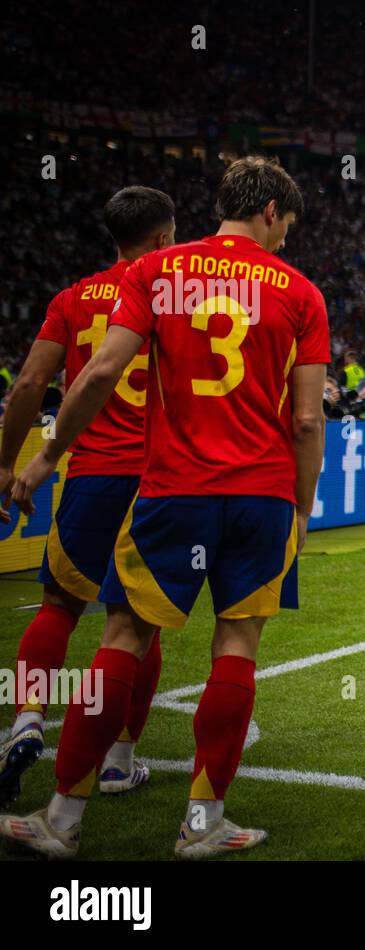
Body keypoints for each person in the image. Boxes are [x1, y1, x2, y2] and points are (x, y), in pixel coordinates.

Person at [0, 156, 329, 858]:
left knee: (123, 636)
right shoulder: (300, 292)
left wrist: (46, 456)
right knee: (236, 645)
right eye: (287, 227)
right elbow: (306, 421)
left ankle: (61, 819)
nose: (285, 240)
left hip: (172, 488)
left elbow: (98, 373)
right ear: (271, 210)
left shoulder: (157, 271)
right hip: (261, 494)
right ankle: (203, 825)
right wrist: (302, 507)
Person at [0, 187, 176, 809]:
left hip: (90, 475)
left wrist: (7, 461)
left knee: (56, 607)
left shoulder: (72, 299)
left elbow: (29, 382)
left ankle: (25, 716)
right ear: (161, 240)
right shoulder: (172, 295)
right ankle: (118, 763)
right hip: (155, 480)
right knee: (138, 627)